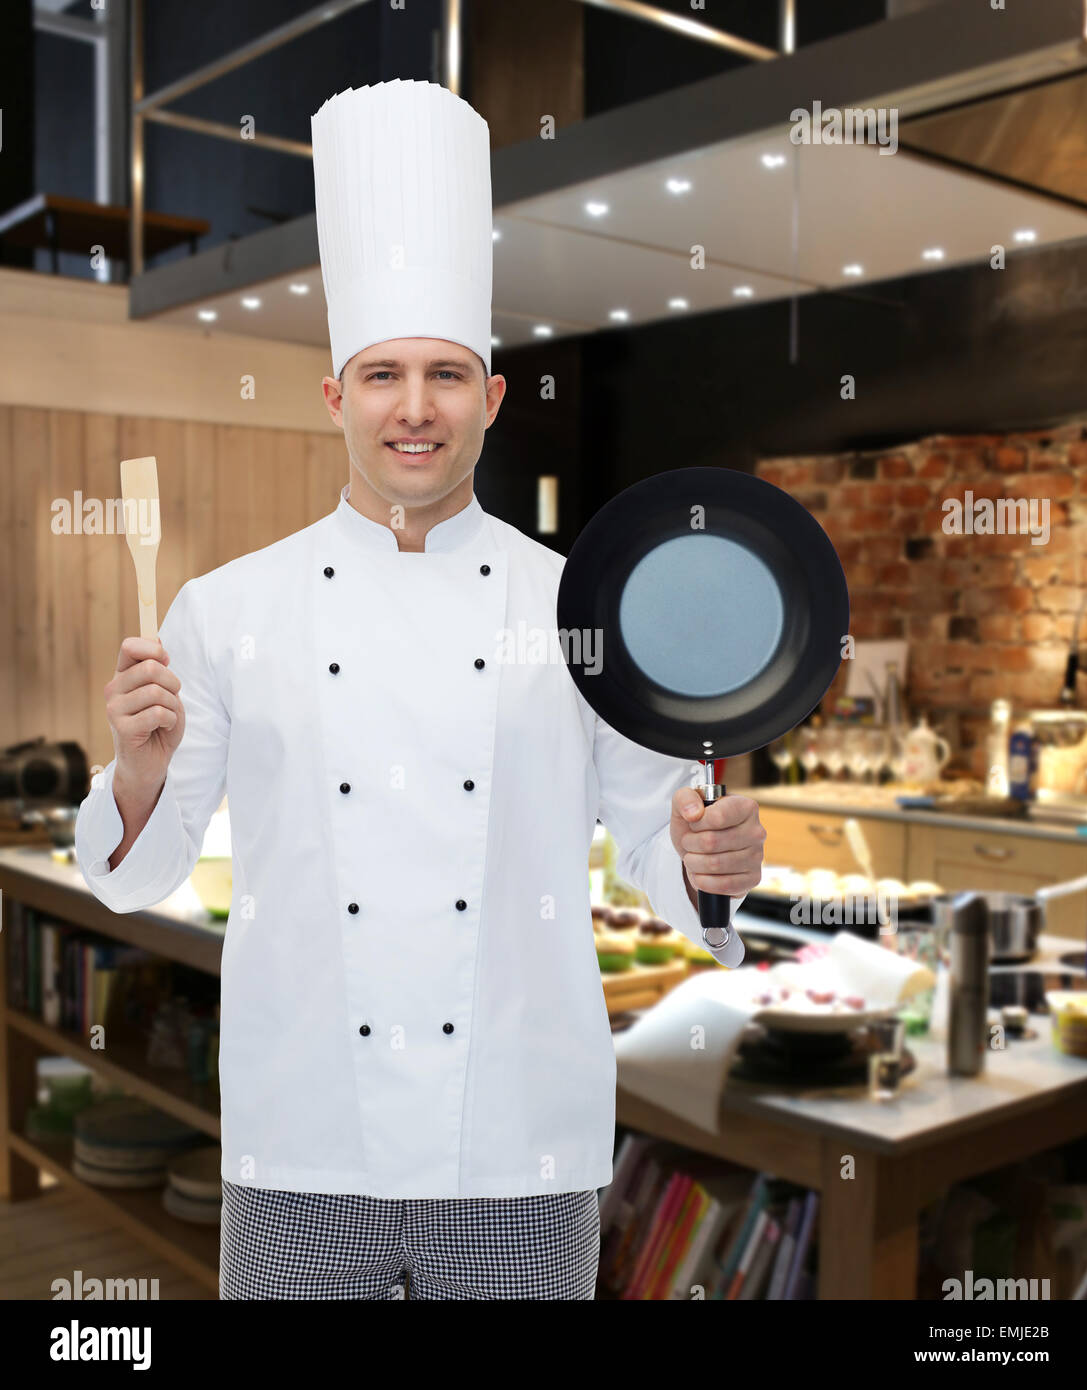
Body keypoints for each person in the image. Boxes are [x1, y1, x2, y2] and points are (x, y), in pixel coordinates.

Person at [75, 79, 763, 1301]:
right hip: (300, 1141)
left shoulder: (581, 606)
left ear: (491, 399)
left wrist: (714, 857)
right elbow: (143, 870)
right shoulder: (228, 609)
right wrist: (133, 776)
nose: (414, 407)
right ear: (336, 396)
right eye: (382, 374)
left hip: (519, 1143)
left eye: (446, 375)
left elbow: (666, 844)